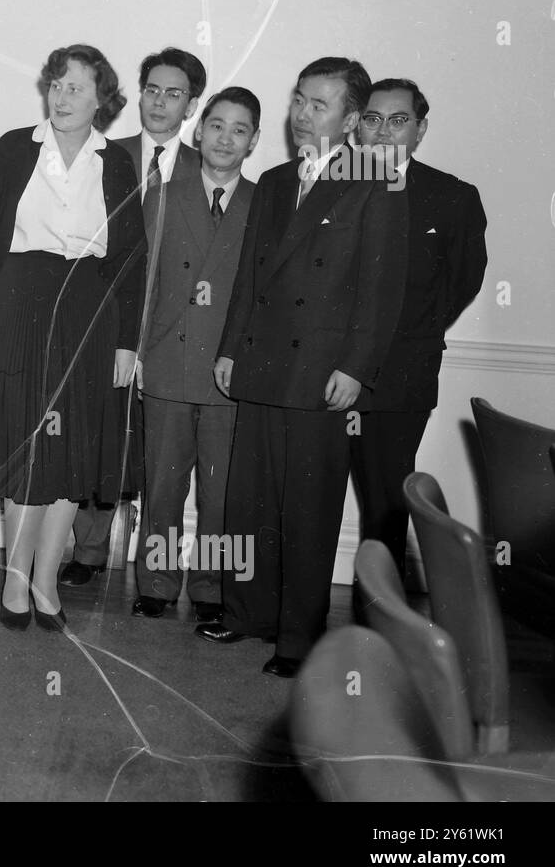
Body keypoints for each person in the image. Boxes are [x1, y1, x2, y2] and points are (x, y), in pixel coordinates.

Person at [201, 57, 408, 678]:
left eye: (319, 105)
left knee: (309, 508)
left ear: (350, 119)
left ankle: (298, 636)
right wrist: (230, 347)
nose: (302, 114)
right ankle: (245, 612)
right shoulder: (271, 178)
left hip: (321, 372)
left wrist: (356, 367)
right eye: (299, 100)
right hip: (261, 361)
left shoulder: (376, 178)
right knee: (250, 498)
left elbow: (382, 290)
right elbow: (249, 277)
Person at [0, 44, 145, 631]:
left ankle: (46, 583)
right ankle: (15, 581)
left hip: (89, 314)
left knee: (73, 452)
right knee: (26, 445)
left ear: (103, 101)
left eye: (76, 90)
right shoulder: (16, 148)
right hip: (17, 305)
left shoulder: (114, 162)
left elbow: (131, 257)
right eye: (56, 86)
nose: (62, 98)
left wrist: (127, 343)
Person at [60, 47, 204, 590]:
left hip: (174, 335)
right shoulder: (103, 155)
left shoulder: (205, 169)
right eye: (152, 90)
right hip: (102, 329)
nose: (159, 102)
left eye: (174, 93)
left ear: (191, 104)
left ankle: (156, 573)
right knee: (95, 438)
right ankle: (89, 549)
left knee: (164, 461)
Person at [349, 78, 486, 589]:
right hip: (319, 373)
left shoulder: (452, 198)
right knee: (307, 496)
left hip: (399, 376)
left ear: (421, 129)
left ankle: (381, 617)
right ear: (357, 126)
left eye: (399, 120)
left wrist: (401, 336)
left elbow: (461, 282)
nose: (384, 131)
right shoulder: (331, 185)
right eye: (372, 118)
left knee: (385, 502)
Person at [131, 88, 258, 621]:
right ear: (198, 130)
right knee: (161, 486)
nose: (225, 138)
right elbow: (143, 280)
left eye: (239, 130)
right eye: (217, 125)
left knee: (222, 491)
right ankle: (156, 584)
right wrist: (136, 350)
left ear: (252, 142)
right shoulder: (162, 194)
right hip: (168, 361)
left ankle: (212, 588)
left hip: (232, 371)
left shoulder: (264, 203)